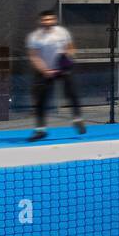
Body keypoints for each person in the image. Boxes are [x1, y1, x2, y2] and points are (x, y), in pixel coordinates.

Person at [26, 8, 85, 141]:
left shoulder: (62, 32)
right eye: (45, 19)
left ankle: (77, 119)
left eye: (50, 19)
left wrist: (68, 58)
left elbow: (70, 48)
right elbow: (34, 57)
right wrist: (45, 70)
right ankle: (40, 130)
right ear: (41, 21)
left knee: (72, 93)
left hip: (62, 69)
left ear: (54, 20)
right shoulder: (34, 37)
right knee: (41, 101)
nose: (48, 21)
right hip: (44, 71)